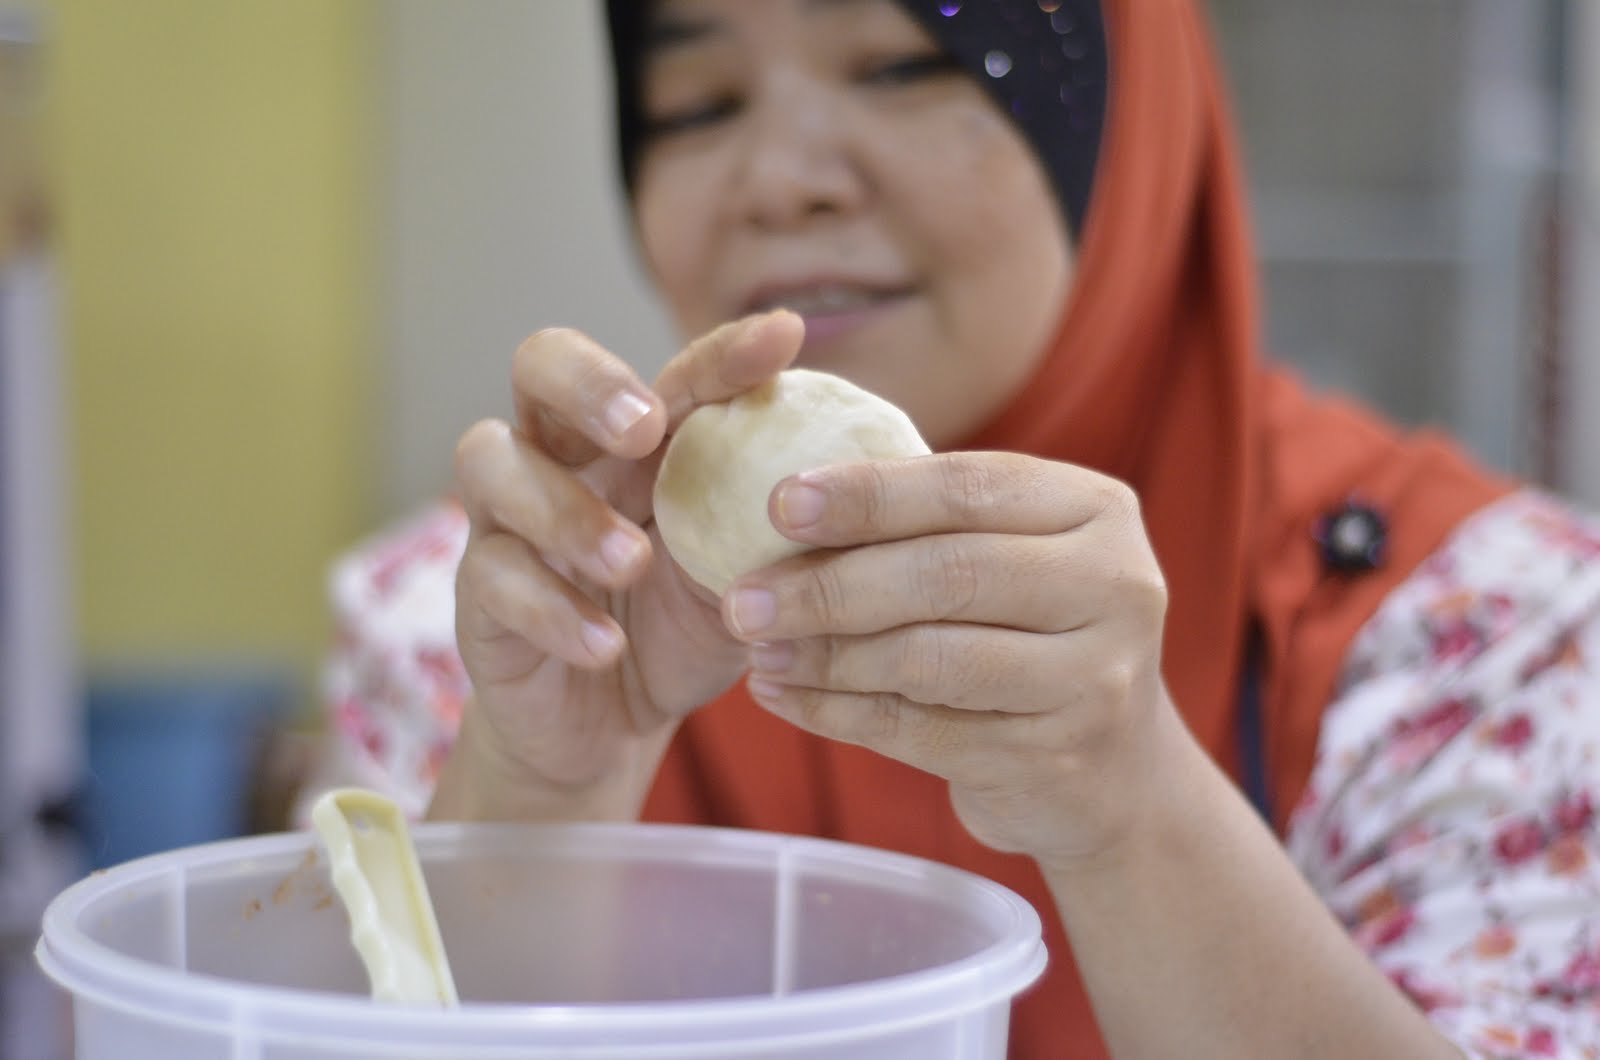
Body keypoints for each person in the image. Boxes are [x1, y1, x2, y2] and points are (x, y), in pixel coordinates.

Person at [303, 1, 1600, 1056]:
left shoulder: (1477, 638)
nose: (780, 180)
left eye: (903, 63)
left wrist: (1131, 809)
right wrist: (543, 795)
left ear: (1115, 124)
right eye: (696, 101)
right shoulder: (499, 618)